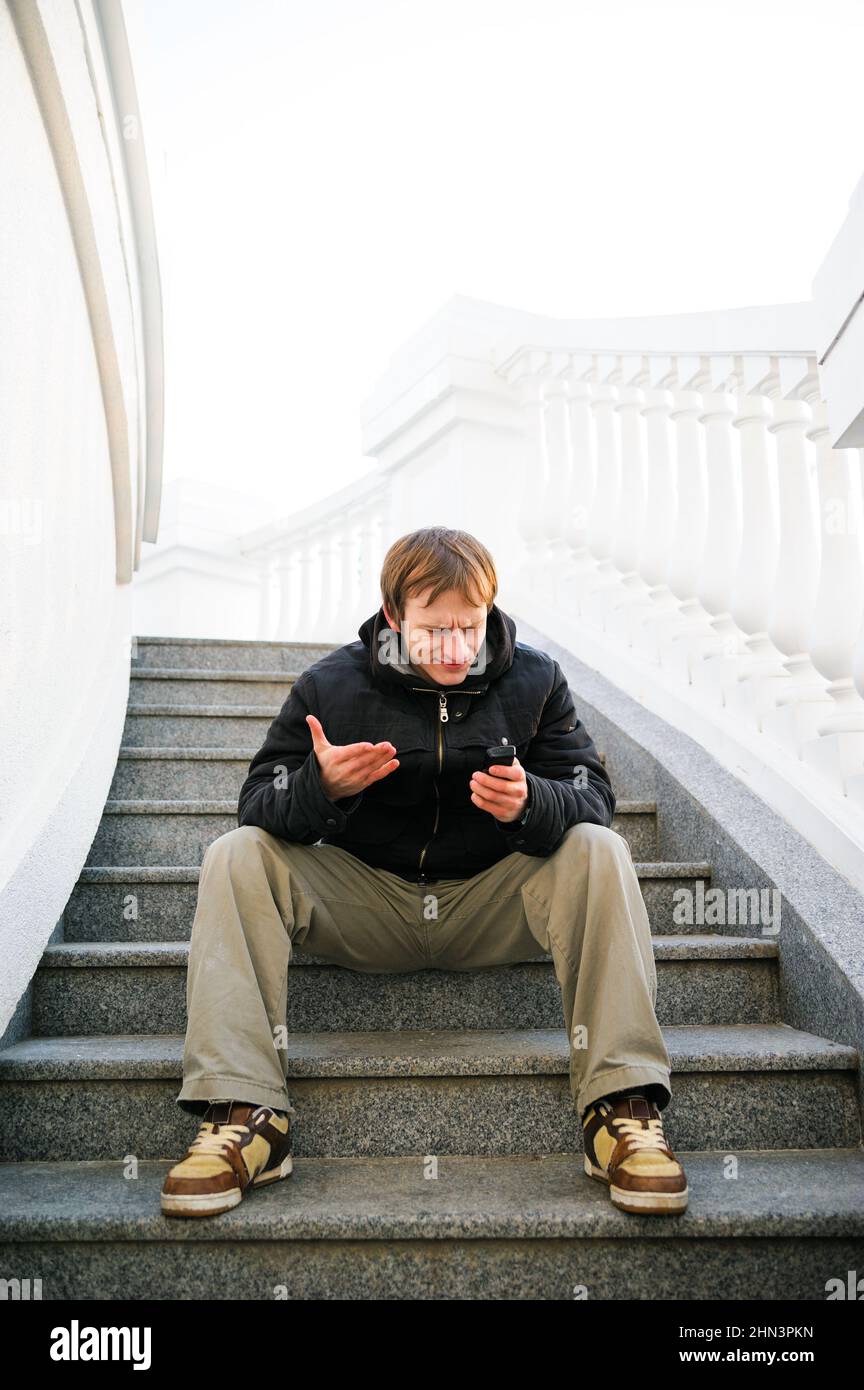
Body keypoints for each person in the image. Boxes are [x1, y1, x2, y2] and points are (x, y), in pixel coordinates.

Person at [161, 526, 687, 1218]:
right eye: (433, 628)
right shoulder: (330, 684)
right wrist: (321, 787)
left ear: (489, 612)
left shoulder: (535, 679)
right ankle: (247, 1115)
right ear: (392, 620)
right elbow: (256, 805)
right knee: (234, 856)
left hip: (491, 906)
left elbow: (593, 797)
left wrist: (536, 801)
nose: (454, 646)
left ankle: (620, 1107)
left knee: (600, 850)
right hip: (365, 908)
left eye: (469, 626)